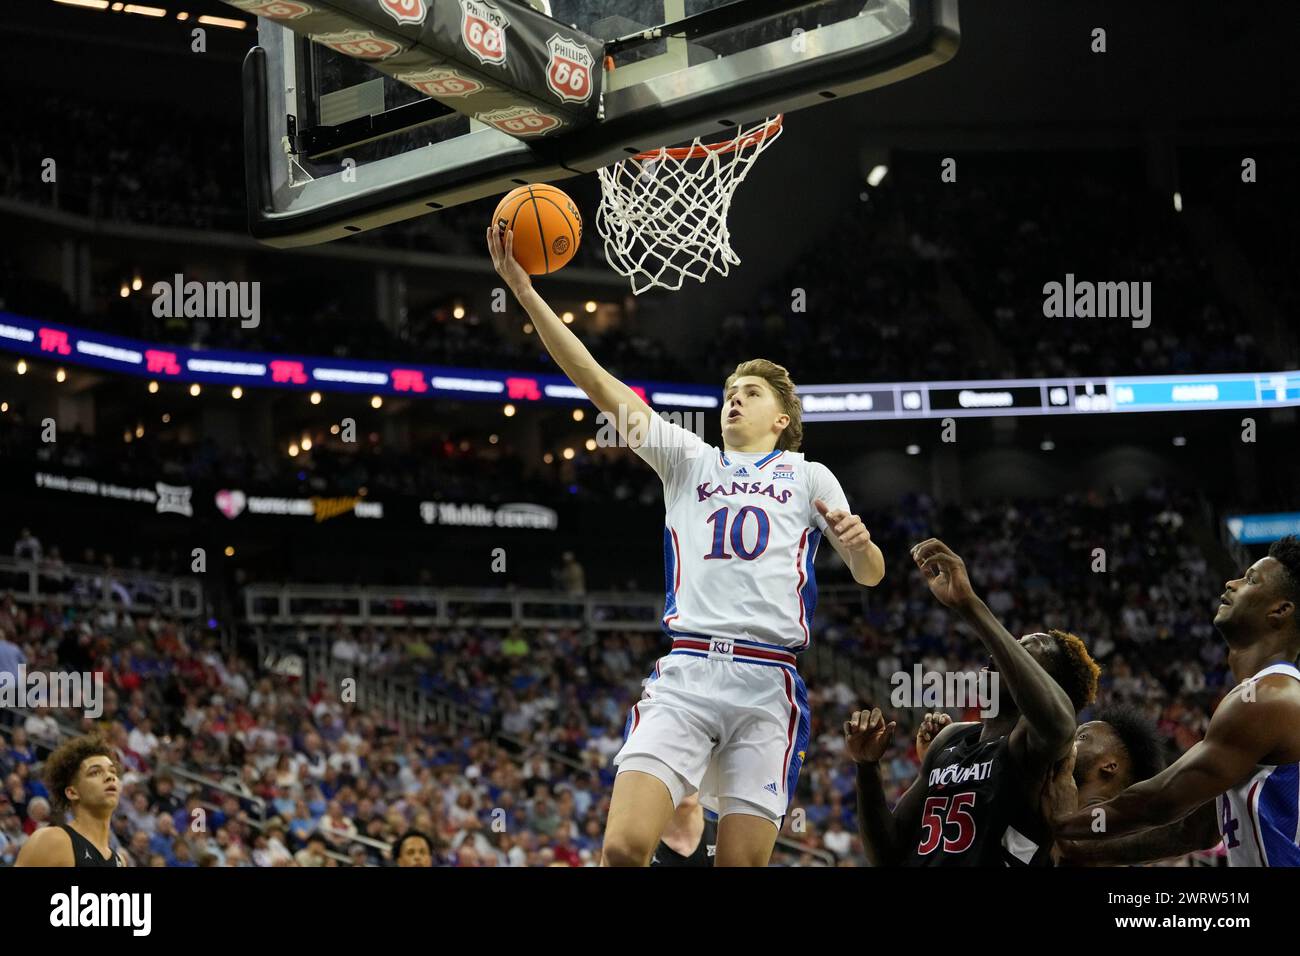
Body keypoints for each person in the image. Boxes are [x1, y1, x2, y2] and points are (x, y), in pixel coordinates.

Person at [489, 226, 885, 867]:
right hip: (689, 671)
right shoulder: (688, 461)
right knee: (621, 849)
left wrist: (861, 546)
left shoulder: (809, 474)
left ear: (782, 419)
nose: (734, 400)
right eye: (729, 393)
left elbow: (870, 575)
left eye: (750, 394)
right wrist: (526, 294)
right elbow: (597, 381)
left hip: (767, 683)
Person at [846, 539, 1099, 866]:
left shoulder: (1033, 746)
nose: (1001, 653)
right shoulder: (951, 740)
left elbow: (1059, 722)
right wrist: (866, 769)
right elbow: (887, 854)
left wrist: (970, 605)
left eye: (1021, 653)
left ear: (1047, 687)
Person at [1056, 537, 1300, 866]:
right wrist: (1083, 851)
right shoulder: (1261, 697)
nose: (1232, 582)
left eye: (1251, 579)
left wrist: (1055, 822)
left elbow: (1161, 800)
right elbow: (1192, 831)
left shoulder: (1269, 699)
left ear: (1280, 610)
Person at [15, 733, 125, 867]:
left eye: (113, 772)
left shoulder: (119, 861)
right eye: (94, 772)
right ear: (72, 792)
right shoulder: (52, 840)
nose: (110, 777)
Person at [650, 793, 716, 867]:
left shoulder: (725, 836)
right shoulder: (643, 842)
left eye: (693, 780)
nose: (687, 783)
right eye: (680, 780)